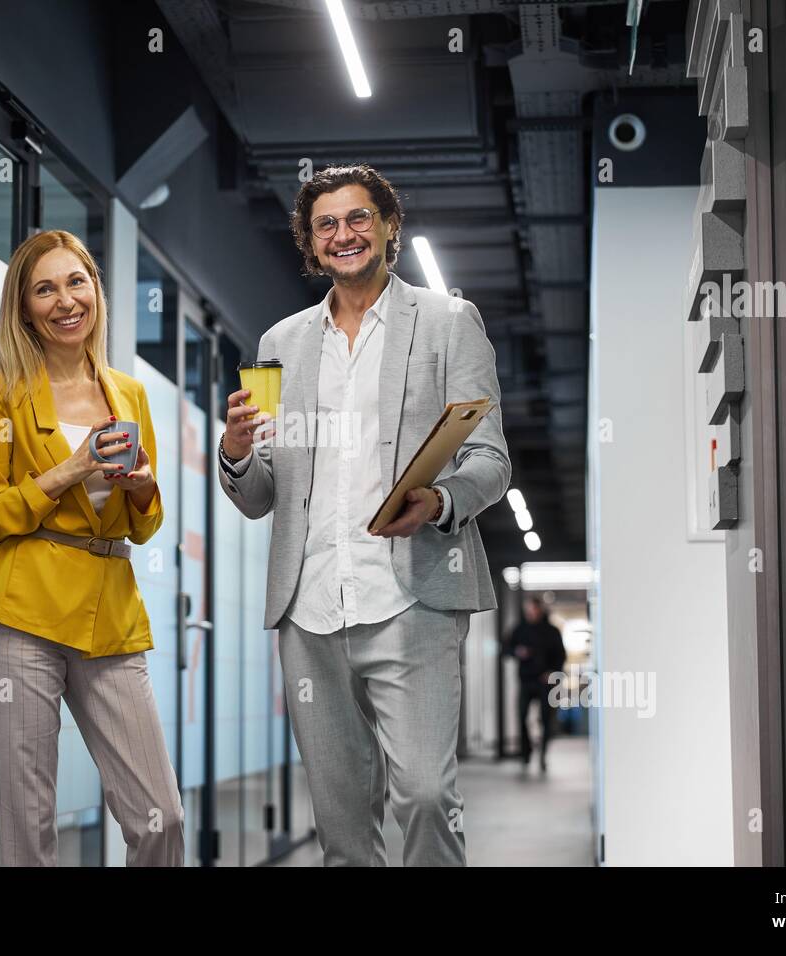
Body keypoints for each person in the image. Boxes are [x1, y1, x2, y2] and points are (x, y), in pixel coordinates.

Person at [217, 164, 511, 866]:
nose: (343, 234)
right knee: (342, 823)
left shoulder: (447, 322)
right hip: (310, 608)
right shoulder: (279, 344)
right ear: (311, 245)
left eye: (357, 219)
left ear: (388, 227)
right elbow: (263, 495)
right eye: (326, 225)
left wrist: (439, 501)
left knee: (425, 794)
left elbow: (490, 461)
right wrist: (233, 452)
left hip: (411, 599)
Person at [0, 229, 183, 867]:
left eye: (76, 282)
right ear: (24, 307)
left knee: (159, 815)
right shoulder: (2, 392)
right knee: (28, 827)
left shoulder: (128, 394)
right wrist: (67, 470)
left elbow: (143, 525)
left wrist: (142, 489)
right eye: (44, 288)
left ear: (96, 291)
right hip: (24, 614)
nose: (65, 301)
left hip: (110, 614)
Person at [503, 596, 567, 772]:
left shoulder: (552, 631)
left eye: (534, 610)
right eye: (528, 611)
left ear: (540, 610)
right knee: (522, 715)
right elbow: (506, 649)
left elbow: (561, 656)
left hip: (545, 682)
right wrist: (517, 652)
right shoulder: (520, 630)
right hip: (526, 681)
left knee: (546, 719)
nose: (531, 613)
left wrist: (552, 672)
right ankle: (526, 752)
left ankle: (543, 753)